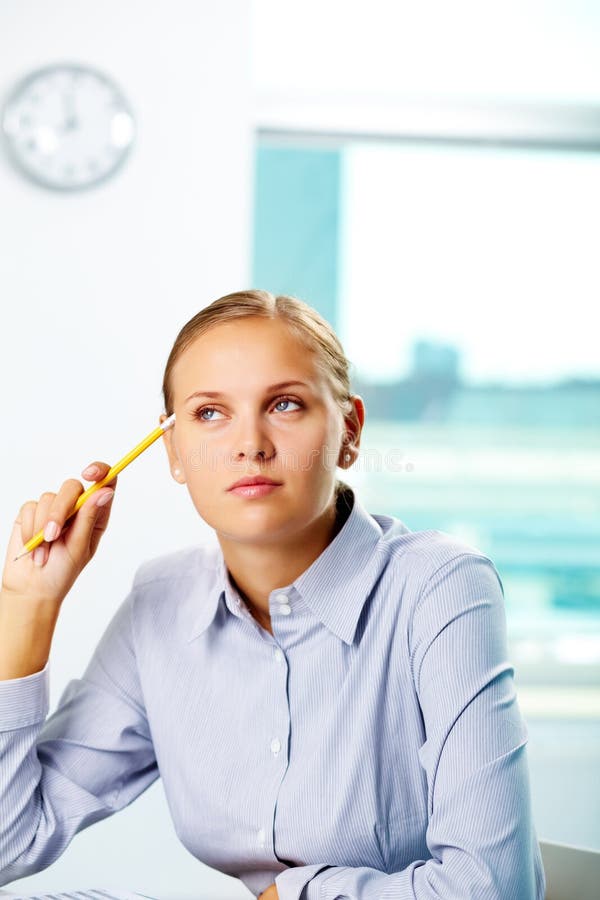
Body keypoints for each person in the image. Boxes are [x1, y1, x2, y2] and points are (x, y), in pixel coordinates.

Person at [0, 289, 546, 899]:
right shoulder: (161, 601)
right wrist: (27, 604)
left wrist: (297, 894)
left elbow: (493, 888)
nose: (249, 444)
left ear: (350, 433)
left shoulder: (439, 588)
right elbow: (9, 842)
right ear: (173, 451)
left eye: (285, 404)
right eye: (210, 413)